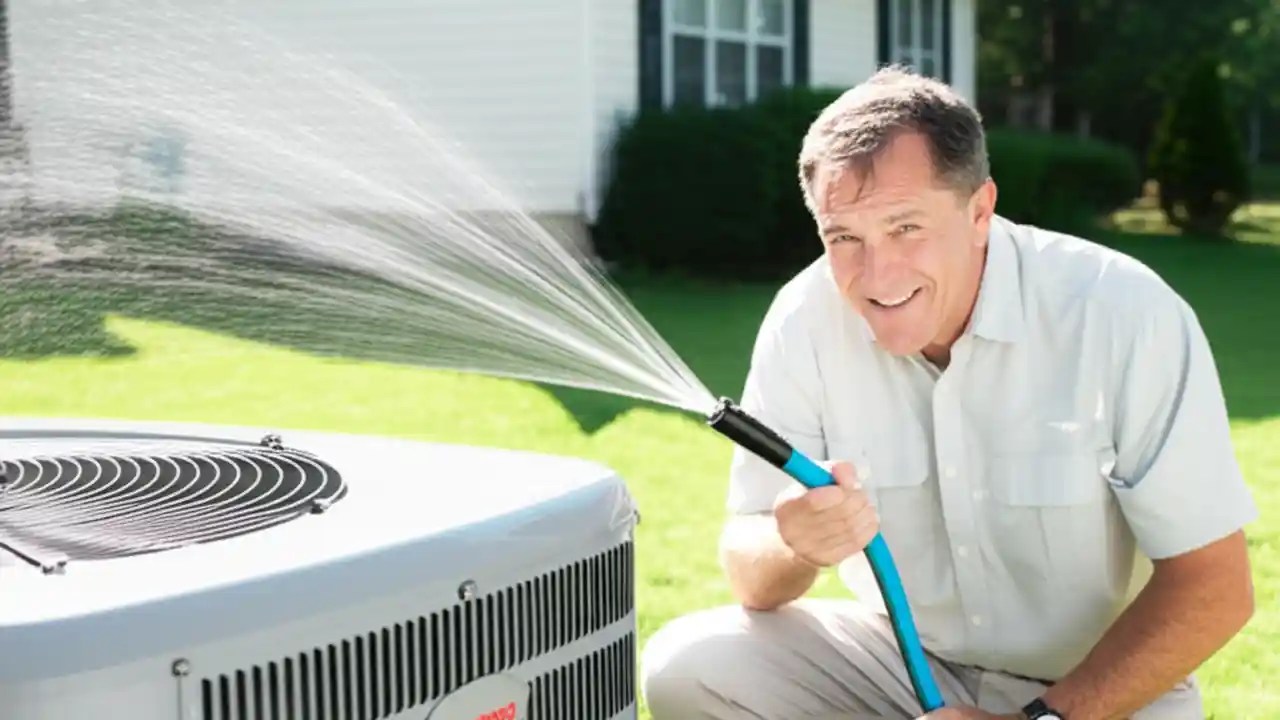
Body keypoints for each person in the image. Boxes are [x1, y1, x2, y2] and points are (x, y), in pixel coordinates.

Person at [639, 66, 1257, 720]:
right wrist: (793, 541)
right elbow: (750, 568)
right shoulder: (804, 320)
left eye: (906, 228)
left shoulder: (1123, 312)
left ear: (981, 210)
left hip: (1097, 686)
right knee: (692, 667)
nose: (876, 275)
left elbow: (1215, 588)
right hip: (905, 668)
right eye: (843, 236)